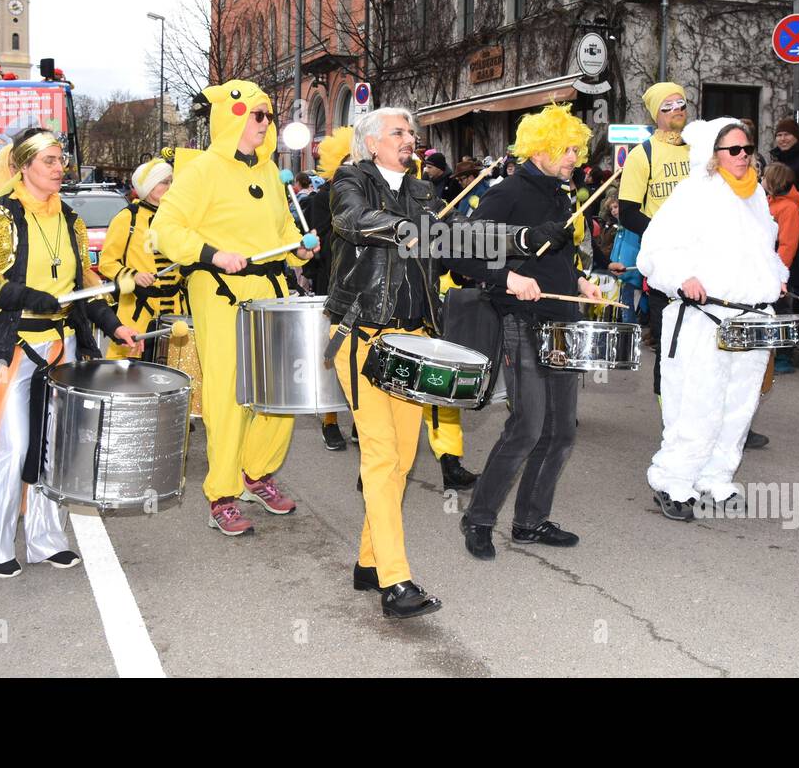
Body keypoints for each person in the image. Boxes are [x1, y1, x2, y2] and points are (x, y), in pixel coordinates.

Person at [326, 107, 558, 618]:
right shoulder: (350, 181)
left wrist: (517, 246)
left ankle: (369, 561)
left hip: (412, 339)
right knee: (383, 457)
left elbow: (459, 241)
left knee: (403, 461)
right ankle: (396, 582)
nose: (410, 139)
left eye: (411, 132)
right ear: (371, 144)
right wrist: (414, 231)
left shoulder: (422, 192)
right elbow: (356, 222)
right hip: (362, 334)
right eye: (398, 133)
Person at [0, 129, 136, 577]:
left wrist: (116, 325)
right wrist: (28, 296)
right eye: (49, 161)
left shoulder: (72, 219)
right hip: (11, 346)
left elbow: (84, 290)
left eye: (62, 160)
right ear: (23, 166)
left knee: (53, 448)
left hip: (62, 350)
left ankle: (45, 540)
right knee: (12, 444)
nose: (60, 168)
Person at [152, 80, 319, 538]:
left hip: (270, 289)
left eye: (270, 117)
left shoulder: (269, 172)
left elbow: (283, 229)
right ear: (233, 116)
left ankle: (256, 472)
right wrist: (211, 253)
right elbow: (166, 229)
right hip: (220, 290)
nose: (267, 125)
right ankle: (221, 494)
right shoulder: (203, 170)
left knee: (279, 389)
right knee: (229, 392)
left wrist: (298, 251)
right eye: (258, 116)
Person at [460, 104, 605, 560]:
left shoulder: (562, 193)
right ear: (539, 148)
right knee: (527, 426)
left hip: (562, 319)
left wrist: (579, 278)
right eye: (566, 148)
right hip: (522, 322)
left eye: (577, 149)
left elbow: (557, 250)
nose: (574, 157)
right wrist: (507, 279)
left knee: (562, 431)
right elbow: (461, 249)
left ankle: (529, 521)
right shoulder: (507, 193)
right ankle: (479, 519)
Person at [638, 118, 787, 521]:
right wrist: (681, 278)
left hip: (752, 317)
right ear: (712, 155)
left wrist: (775, 279)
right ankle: (673, 480)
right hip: (706, 318)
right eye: (733, 150)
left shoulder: (755, 194)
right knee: (697, 403)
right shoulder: (692, 194)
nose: (743, 157)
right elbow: (656, 250)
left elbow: (765, 250)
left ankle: (716, 476)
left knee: (739, 405)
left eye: (747, 148)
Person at [616, 81, 692, 400]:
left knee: (708, 346)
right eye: (667, 106)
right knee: (670, 346)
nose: (676, 110)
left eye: (681, 104)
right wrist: (665, 235)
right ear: (655, 114)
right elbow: (628, 213)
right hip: (666, 264)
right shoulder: (641, 154)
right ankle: (671, 423)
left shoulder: (701, 149)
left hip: (707, 260)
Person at [97, 157, 187, 359]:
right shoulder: (128, 218)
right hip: (138, 311)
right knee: (134, 376)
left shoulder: (178, 218)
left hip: (175, 311)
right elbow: (107, 263)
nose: (170, 187)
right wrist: (133, 275)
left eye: (172, 181)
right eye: (164, 182)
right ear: (149, 186)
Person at [306, 126, 358, 449]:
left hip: (362, 285)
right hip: (332, 283)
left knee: (359, 356)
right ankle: (329, 420)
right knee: (332, 354)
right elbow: (319, 243)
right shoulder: (322, 198)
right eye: (349, 162)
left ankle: (360, 420)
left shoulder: (369, 194)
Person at [763, 163, 799, 373]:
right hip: (770, 263)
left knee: (783, 311)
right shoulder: (770, 203)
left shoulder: (788, 208)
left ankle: (786, 355)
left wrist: (781, 273)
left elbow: (788, 243)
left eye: (765, 178)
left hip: (782, 267)